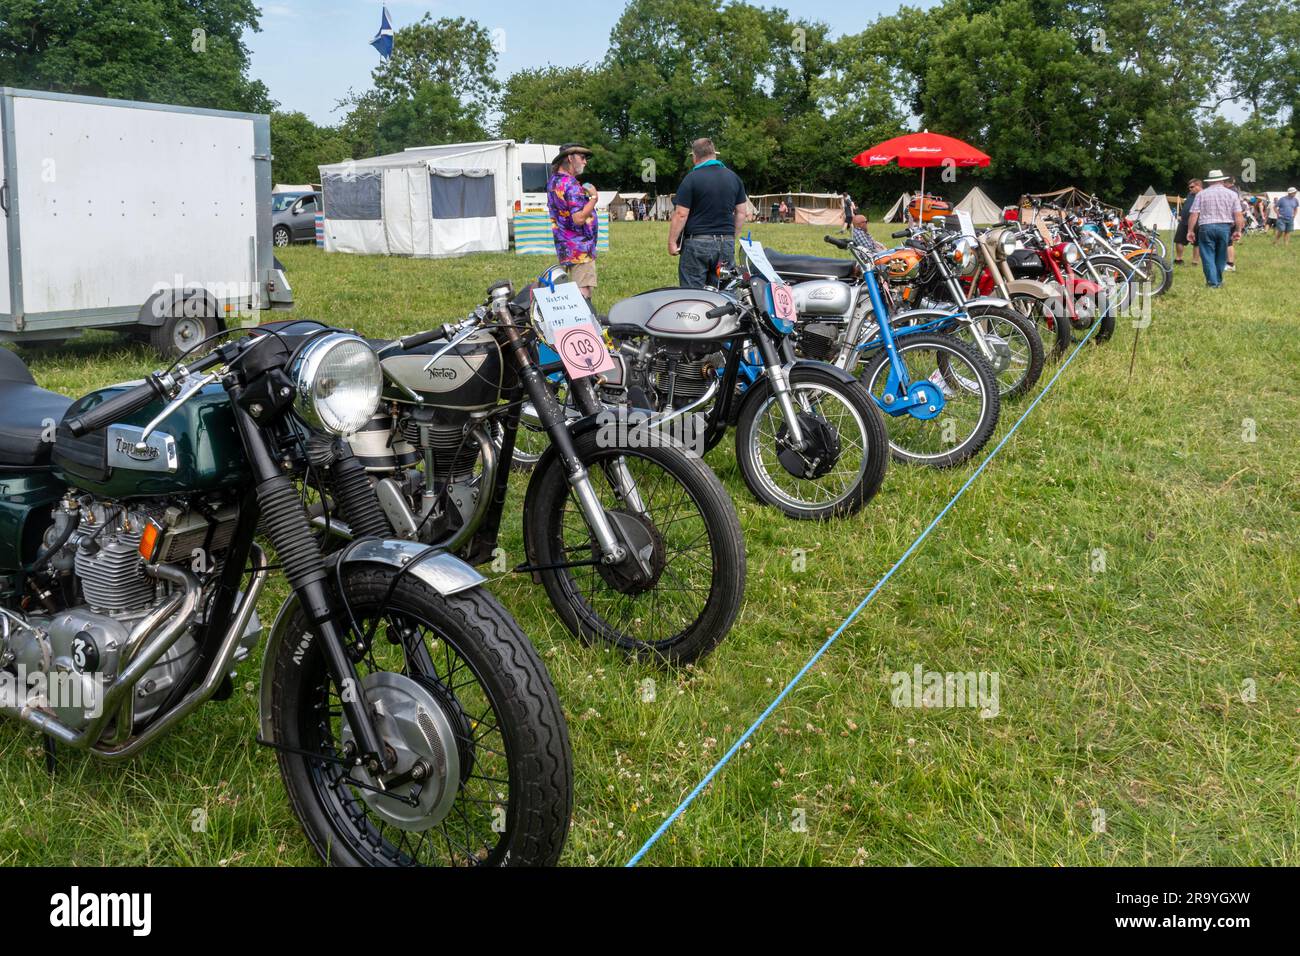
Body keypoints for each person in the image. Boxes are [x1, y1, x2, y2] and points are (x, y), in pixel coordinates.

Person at [668, 137, 749, 289]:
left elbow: (681, 214)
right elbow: (741, 213)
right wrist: (731, 237)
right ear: (714, 154)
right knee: (723, 293)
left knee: (693, 294)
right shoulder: (734, 178)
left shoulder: (691, 179)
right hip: (726, 243)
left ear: (694, 156)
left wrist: (672, 242)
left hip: (697, 243)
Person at [546, 143, 599, 303]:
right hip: (580, 247)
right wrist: (594, 198)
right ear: (570, 158)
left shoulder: (554, 181)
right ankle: (583, 317)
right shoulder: (571, 184)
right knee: (583, 290)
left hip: (565, 244)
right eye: (582, 158)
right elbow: (579, 218)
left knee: (571, 288)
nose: (585, 162)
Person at [1186, 169, 1245, 288]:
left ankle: (1213, 282)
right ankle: (1218, 280)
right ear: (1222, 180)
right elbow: (1238, 215)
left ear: (1209, 182)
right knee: (1221, 256)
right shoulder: (1232, 194)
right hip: (1224, 227)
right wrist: (1238, 231)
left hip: (1206, 227)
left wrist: (1190, 231)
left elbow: (1194, 214)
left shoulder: (1201, 194)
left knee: (1207, 255)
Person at [1174, 179, 1201, 264]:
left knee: (1197, 243)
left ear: (1198, 186)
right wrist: (1181, 215)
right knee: (1179, 240)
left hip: (1197, 222)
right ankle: (1178, 259)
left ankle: (1195, 261)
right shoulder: (1190, 194)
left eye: (1192, 187)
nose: (1190, 189)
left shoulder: (1204, 195)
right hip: (1184, 221)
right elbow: (1186, 206)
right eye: (1189, 187)